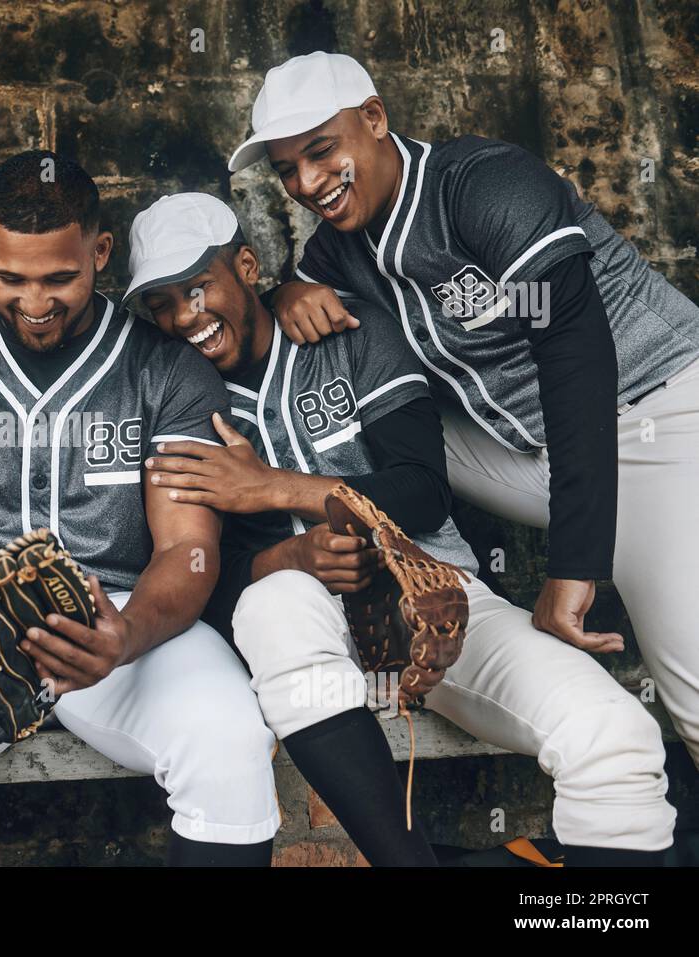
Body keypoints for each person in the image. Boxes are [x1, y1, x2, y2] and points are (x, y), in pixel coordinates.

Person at [130, 191, 675, 866]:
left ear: (245, 265)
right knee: (275, 601)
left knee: (616, 734)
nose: (184, 316)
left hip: (438, 598)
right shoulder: (172, 398)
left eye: (196, 288)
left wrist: (274, 486)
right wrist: (293, 553)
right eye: (161, 303)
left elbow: (421, 487)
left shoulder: (347, 332)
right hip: (307, 642)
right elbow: (202, 582)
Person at [228, 51, 699, 770]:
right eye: (288, 170)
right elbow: (292, 296)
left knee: (692, 699)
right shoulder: (339, 249)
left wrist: (574, 564)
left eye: (322, 152)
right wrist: (284, 293)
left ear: (376, 119)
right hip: (521, 449)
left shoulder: (482, 182)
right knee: (367, 438)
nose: (307, 183)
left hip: (657, 414)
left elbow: (576, 357)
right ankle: (363, 612)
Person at [0, 151, 279, 866]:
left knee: (230, 742)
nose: (35, 301)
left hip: (122, 617)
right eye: (11, 277)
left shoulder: (167, 367)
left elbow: (188, 551)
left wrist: (124, 636)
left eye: (59, 277)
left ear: (100, 252)